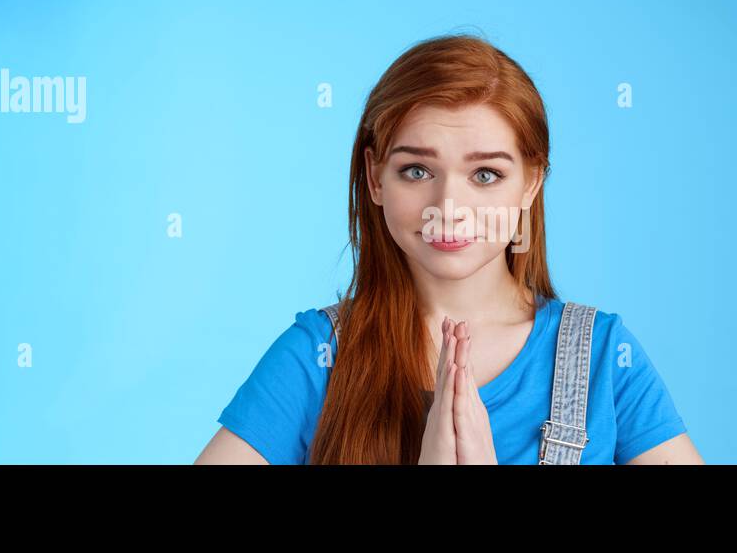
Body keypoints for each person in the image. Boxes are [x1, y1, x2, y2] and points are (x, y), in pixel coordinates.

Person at [195, 34, 703, 465]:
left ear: (531, 183)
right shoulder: (316, 357)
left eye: (485, 174)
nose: (449, 207)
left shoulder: (601, 359)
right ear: (375, 177)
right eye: (417, 171)